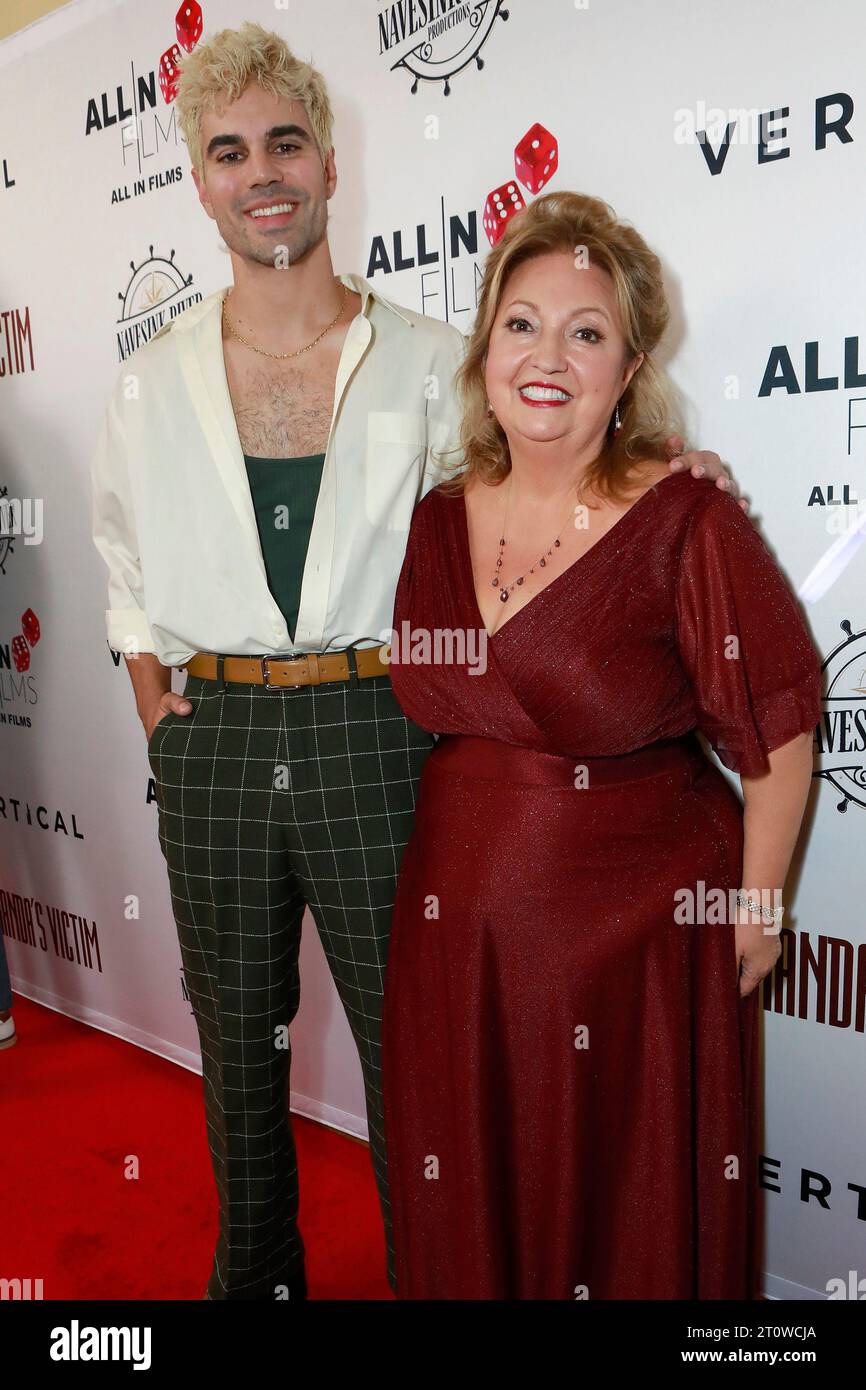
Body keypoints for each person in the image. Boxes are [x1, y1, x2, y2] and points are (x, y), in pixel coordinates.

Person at [90, 23, 738, 1300]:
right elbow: (122, 571)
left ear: (329, 164)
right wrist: (162, 714)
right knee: (235, 1055)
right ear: (199, 180)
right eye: (228, 152)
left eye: (284, 142)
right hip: (213, 735)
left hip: (381, 734)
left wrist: (669, 481)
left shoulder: (440, 360)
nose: (260, 170)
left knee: (418, 1064)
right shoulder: (145, 382)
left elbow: (550, 485)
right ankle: (256, 1279)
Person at [381, 189, 822, 1300]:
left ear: (627, 371)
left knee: (622, 1219)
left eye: (586, 333)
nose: (547, 355)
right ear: (484, 347)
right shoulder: (436, 514)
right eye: (520, 322)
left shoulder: (685, 518)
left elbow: (774, 722)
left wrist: (757, 906)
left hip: (631, 952)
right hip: (459, 941)